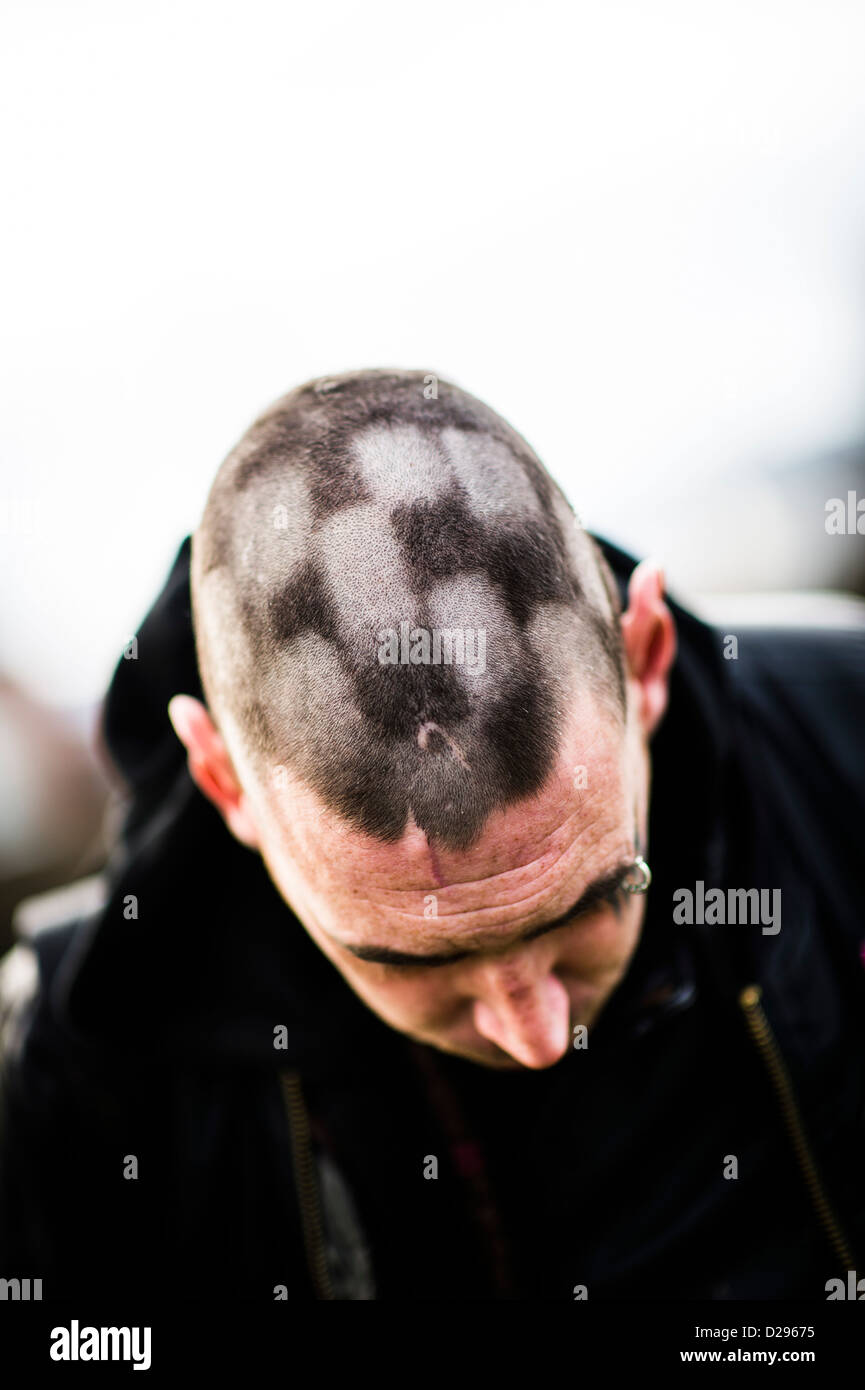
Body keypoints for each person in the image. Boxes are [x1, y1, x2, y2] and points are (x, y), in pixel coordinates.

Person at [1, 369, 864, 1301]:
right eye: (415, 963)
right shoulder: (76, 1080)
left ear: (643, 662)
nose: (533, 1033)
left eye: (590, 906)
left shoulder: (848, 746)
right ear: (224, 783)